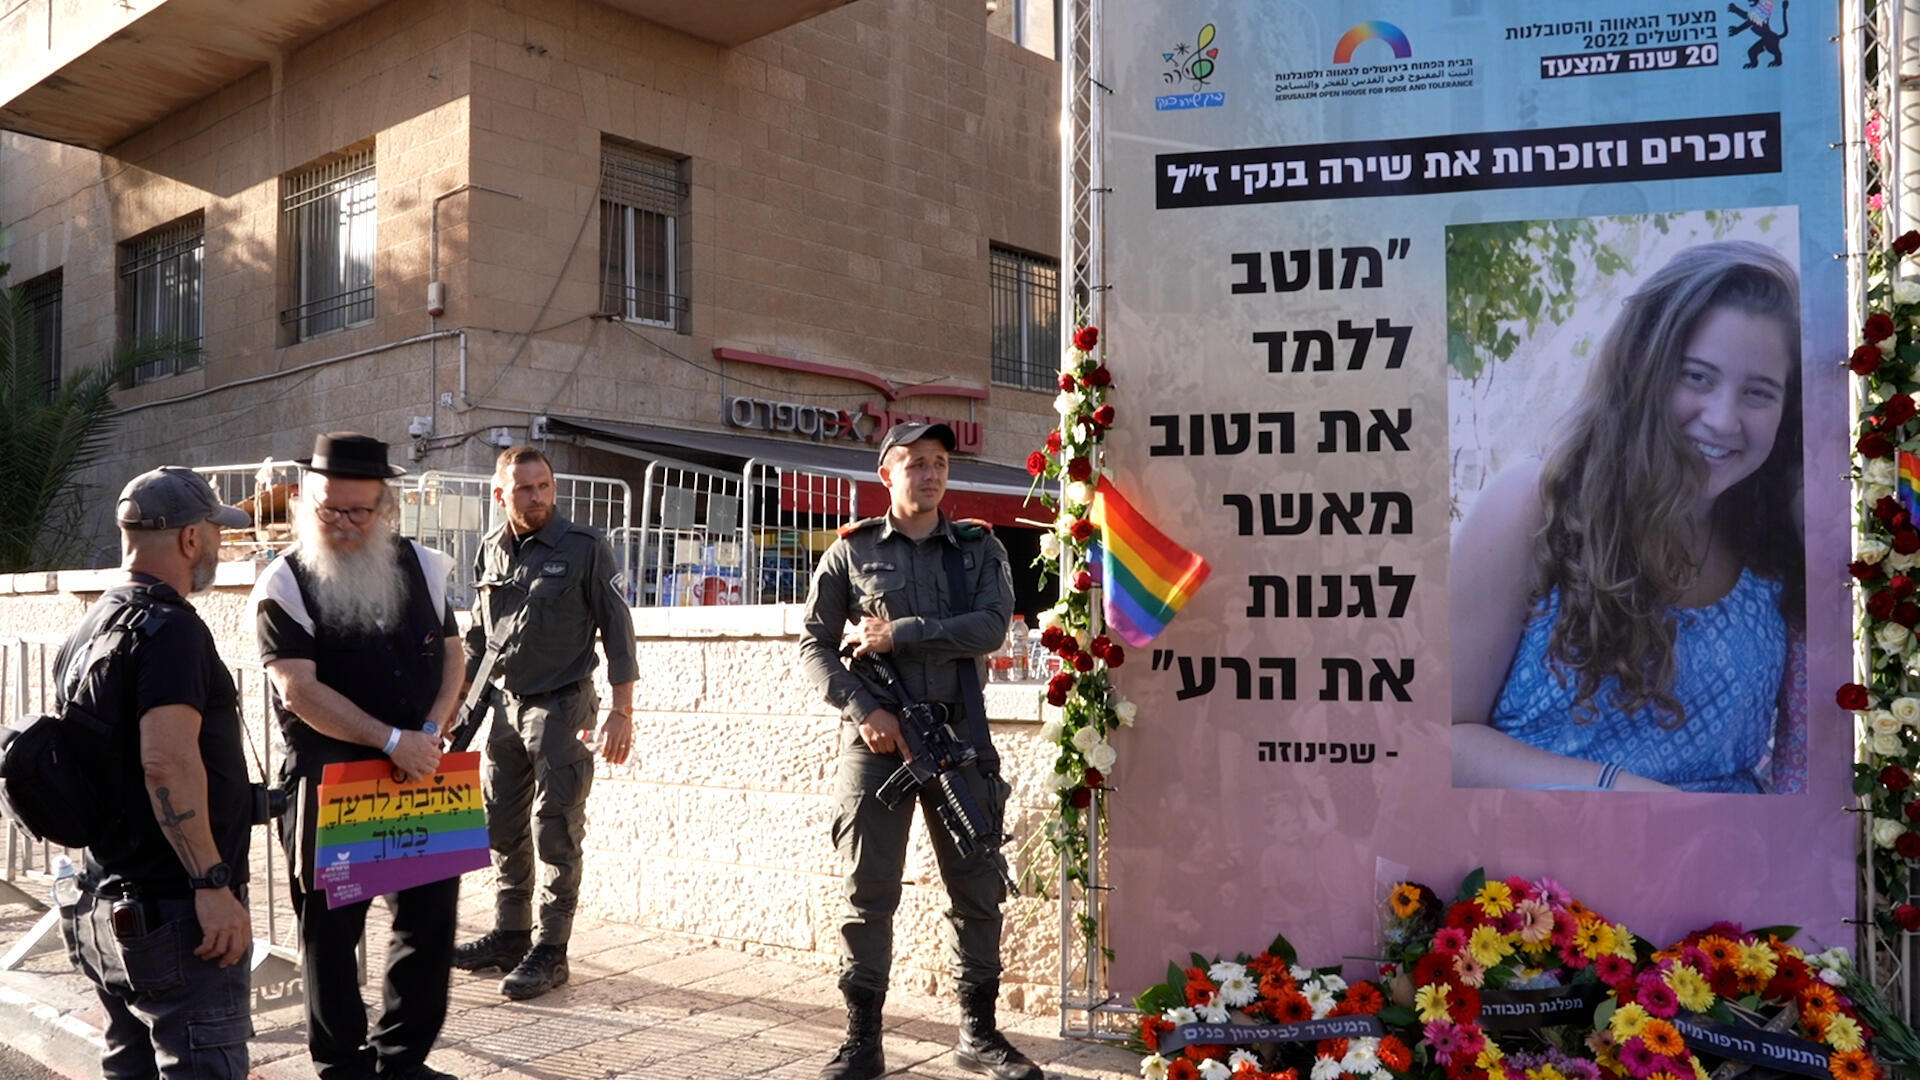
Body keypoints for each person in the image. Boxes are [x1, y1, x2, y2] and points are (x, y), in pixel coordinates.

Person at [1451, 240, 1805, 793]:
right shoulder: (1532, 505)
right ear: (1643, 369)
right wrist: (1620, 794)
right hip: (1540, 871)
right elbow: (1438, 738)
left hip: (1724, 872)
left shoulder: (1777, 537)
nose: (1722, 418)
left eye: (1758, 392)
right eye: (1697, 377)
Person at [798, 420, 1040, 1080]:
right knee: (866, 891)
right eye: (914, 463)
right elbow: (814, 648)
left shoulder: (976, 550)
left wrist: (897, 635)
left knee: (978, 886)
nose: (930, 474)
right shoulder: (849, 552)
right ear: (888, 474)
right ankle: (861, 1039)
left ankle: (979, 1034)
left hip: (959, 739)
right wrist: (864, 708)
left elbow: (990, 629)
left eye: (938, 463)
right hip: (877, 745)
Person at [252, 433, 465, 1080]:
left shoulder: (426, 567)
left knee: (429, 928)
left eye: (358, 512)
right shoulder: (282, 581)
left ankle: (402, 1061)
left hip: (421, 774)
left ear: (385, 509)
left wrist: (428, 730)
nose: (343, 525)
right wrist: (392, 740)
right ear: (307, 503)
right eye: (329, 510)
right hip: (333, 783)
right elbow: (298, 688)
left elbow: (454, 656)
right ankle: (343, 1066)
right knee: (332, 937)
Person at [56, 467, 254, 1079]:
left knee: (130, 1067)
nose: (220, 545)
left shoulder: (90, 625)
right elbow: (164, 761)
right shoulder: (171, 631)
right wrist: (212, 883)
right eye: (216, 532)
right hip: (176, 913)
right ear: (191, 539)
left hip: (106, 898)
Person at [451, 445, 637, 1000]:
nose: (537, 498)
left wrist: (622, 712)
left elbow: (618, 631)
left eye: (545, 487)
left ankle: (551, 951)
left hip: (564, 706)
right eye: (525, 489)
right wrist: (452, 711)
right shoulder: (490, 551)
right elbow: (480, 642)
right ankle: (511, 935)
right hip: (505, 708)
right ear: (500, 494)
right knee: (502, 826)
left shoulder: (584, 547)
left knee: (555, 827)